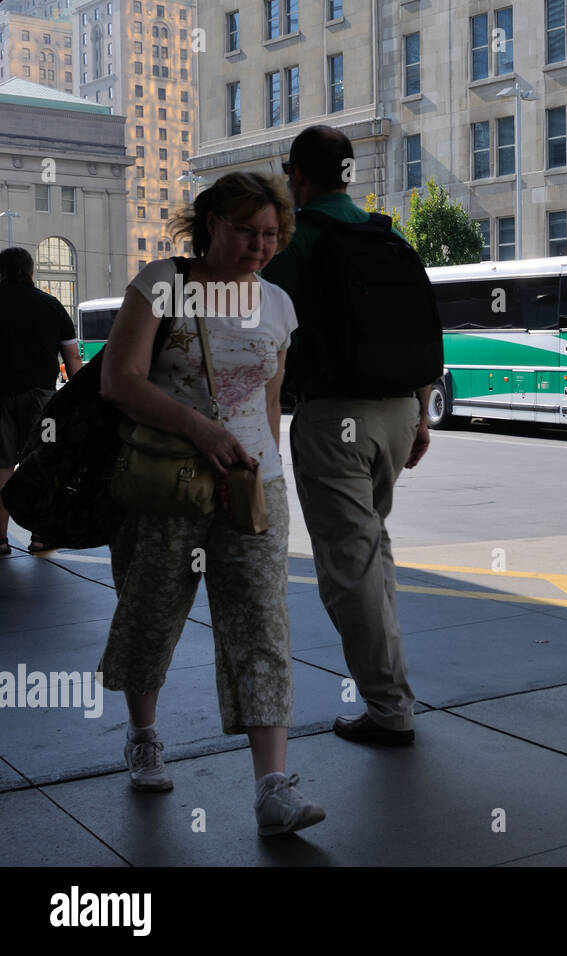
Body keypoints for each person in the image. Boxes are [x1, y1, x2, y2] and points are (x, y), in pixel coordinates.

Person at [98, 172, 325, 837]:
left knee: (263, 626)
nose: (259, 246)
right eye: (245, 231)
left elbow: (269, 399)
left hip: (253, 487)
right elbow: (119, 380)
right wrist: (202, 430)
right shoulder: (162, 283)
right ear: (211, 224)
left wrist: (268, 466)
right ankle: (143, 736)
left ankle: (272, 787)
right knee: (152, 612)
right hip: (166, 483)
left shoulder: (279, 304)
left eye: (270, 234)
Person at [261, 125, 432, 747]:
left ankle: (390, 710)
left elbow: (263, 341)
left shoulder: (298, 245)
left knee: (350, 566)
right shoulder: (387, 237)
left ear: (297, 177)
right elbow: (412, 330)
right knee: (372, 548)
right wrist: (420, 411)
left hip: (336, 418)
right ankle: (394, 695)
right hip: (398, 413)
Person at [0, 247, 83, 556]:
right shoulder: (51, 305)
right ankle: (39, 537)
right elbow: (72, 359)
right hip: (42, 400)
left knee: (2, 467)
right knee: (41, 465)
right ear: (31, 271)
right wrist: (82, 399)